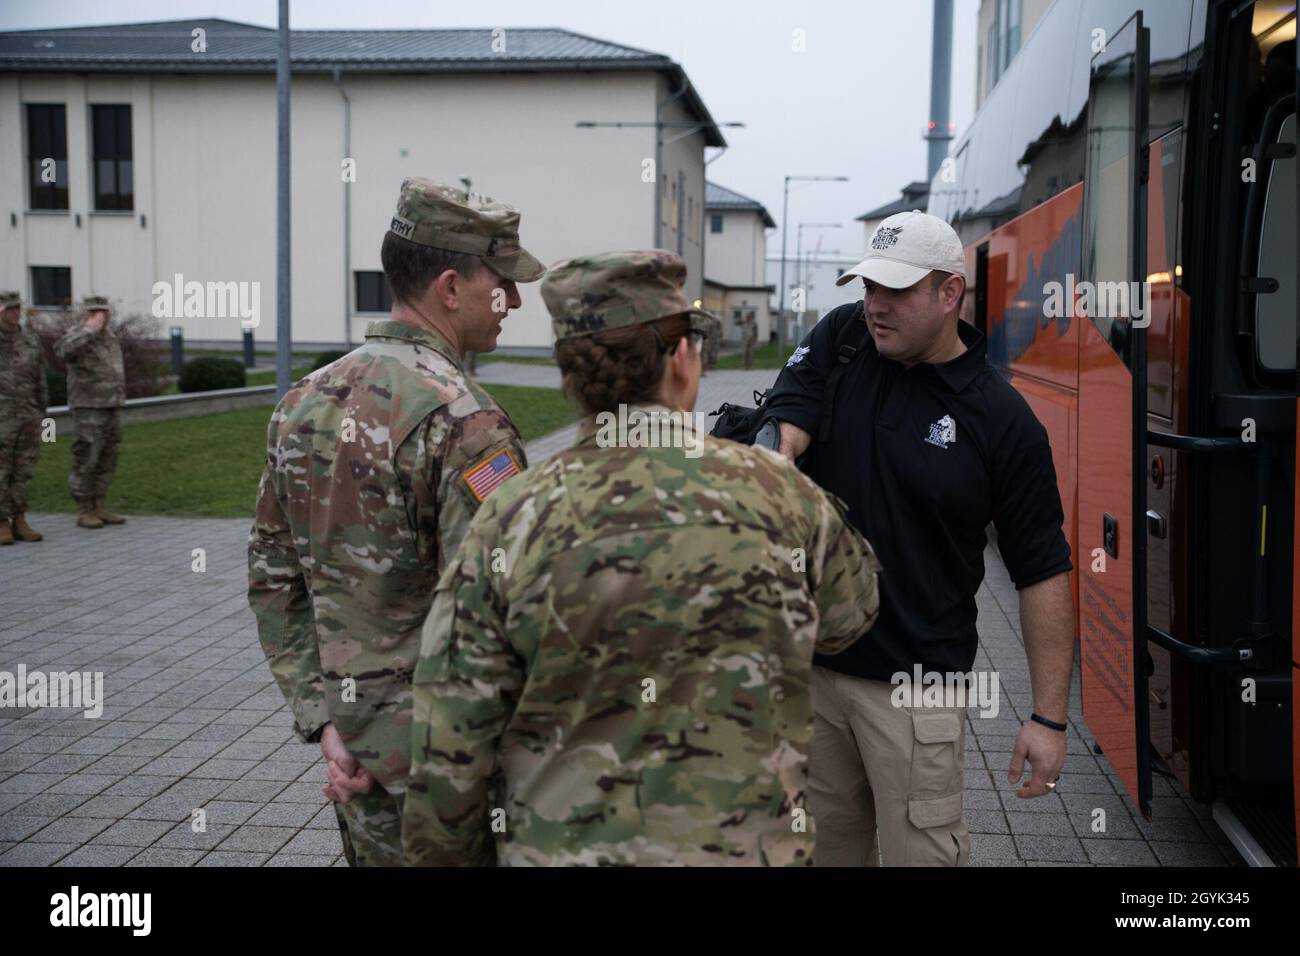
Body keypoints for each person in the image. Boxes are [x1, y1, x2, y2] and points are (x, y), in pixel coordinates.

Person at [401, 249, 881, 866]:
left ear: (569, 375)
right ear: (682, 359)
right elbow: (850, 619)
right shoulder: (785, 496)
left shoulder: (510, 518)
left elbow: (449, 741)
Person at [761, 210, 1075, 866]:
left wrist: (1048, 718)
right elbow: (789, 413)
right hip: (813, 675)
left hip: (916, 690)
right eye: (868, 287)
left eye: (896, 291)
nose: (875, 306)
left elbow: (1042, 568)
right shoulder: (843, 339)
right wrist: (777, 457)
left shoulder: (1002, 421)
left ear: (948, 294)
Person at [248, 178, 545, 866]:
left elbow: (273, 580)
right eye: (502, 282)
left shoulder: (303, 401)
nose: (515, 301)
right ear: (450, 287)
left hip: (357, 762)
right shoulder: (468, 425)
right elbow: (502, 615)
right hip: (455, 781)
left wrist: (327, 719)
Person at [55, 295, 126, 529]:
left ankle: (99, 504)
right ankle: (83, 508)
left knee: (108, 456)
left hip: (111, 405)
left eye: (104, 312)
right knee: (86, 457)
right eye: (95, 312)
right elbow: (62, 351)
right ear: (86, 314)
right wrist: (89, 330)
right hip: (88, 407)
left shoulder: (110, 338)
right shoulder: (78, 335)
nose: (100, 316)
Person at [0, 291, 48, 545]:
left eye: (17, 308)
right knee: (1, 469)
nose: (15, 313)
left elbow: (39, 376)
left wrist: (42, 409)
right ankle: (1, 521)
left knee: (23, 469)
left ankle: (19, 518)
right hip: (2, 416)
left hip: (28, 413)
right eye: (9, 308)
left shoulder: (29, 339)